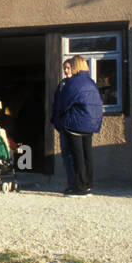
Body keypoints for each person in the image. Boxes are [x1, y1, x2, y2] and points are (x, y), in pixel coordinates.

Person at [50, 56, 103, 196]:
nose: (69, 69)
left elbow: (63, 104)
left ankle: (79, 187)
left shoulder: (73, 82)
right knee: (87, 155)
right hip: (90, 123)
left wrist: (59, 120)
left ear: (75, 66)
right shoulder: (90, 82)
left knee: (77, 156)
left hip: (75, 123)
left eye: (71, 66)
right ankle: (88, 185)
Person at [53, 60, 76, 189]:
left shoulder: (76, 84)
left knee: (75, 155)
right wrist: (56, 120)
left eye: (68, 68)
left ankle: (77, 182)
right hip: (63, 125)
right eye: (64, 68)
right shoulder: (62, 84)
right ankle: (71, 182)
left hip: (74, 124)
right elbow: (57, 103)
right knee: (66, 154)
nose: (66, 71)